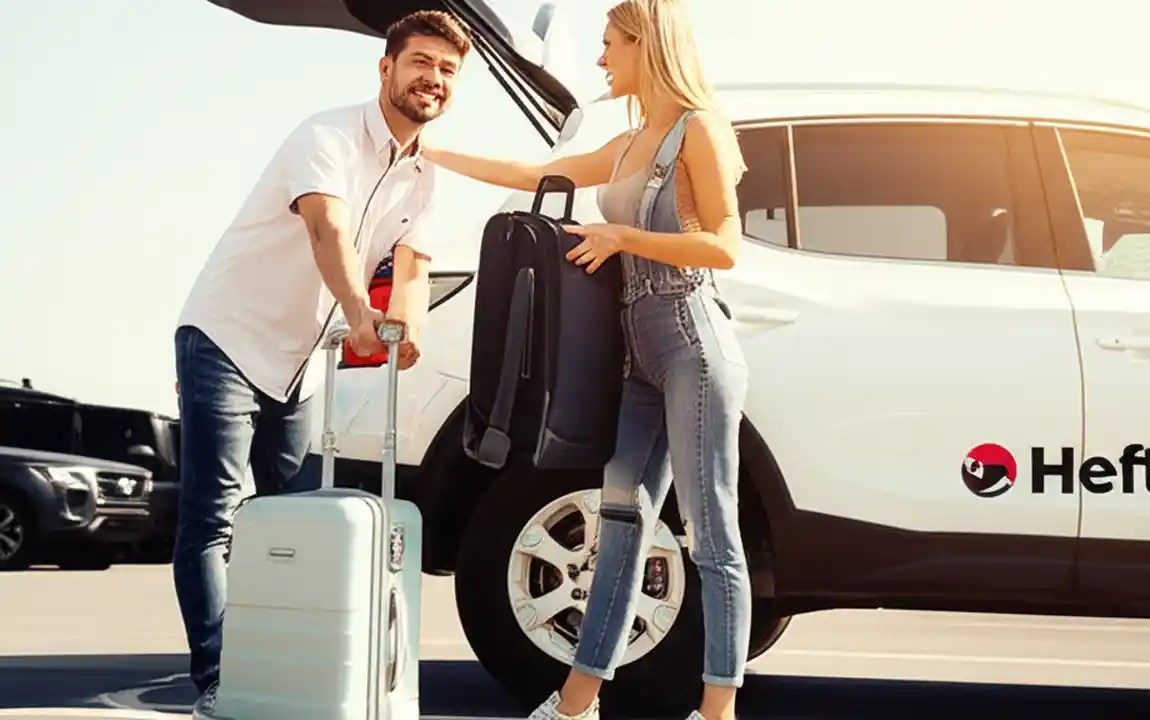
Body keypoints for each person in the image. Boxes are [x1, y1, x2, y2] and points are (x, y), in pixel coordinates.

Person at [420, 1, 749, 718]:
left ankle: (717, 712)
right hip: (637, 357)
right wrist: (426, 149)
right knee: (621, 525)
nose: (601, 59)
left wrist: (625, 239)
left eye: (609, 45)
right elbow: (535, 170)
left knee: (713, 534)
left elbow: (725, 245)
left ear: (646, 46)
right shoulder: (631, 143)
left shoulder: (701, 130)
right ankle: (575, 706)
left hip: (692, 341)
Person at [172, 9, 471, 717]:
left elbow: (414, 264)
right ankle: (220, 681)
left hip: (299, 363)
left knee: (292, 522)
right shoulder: (327, 134)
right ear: (387, 68)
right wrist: (362, 317)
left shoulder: (424, 174)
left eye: (448, 70)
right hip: (227, 336)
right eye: (422, 62)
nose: (433, 78)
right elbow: (327, 226)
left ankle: (289, 668)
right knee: (214, 519)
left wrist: (410, 324)